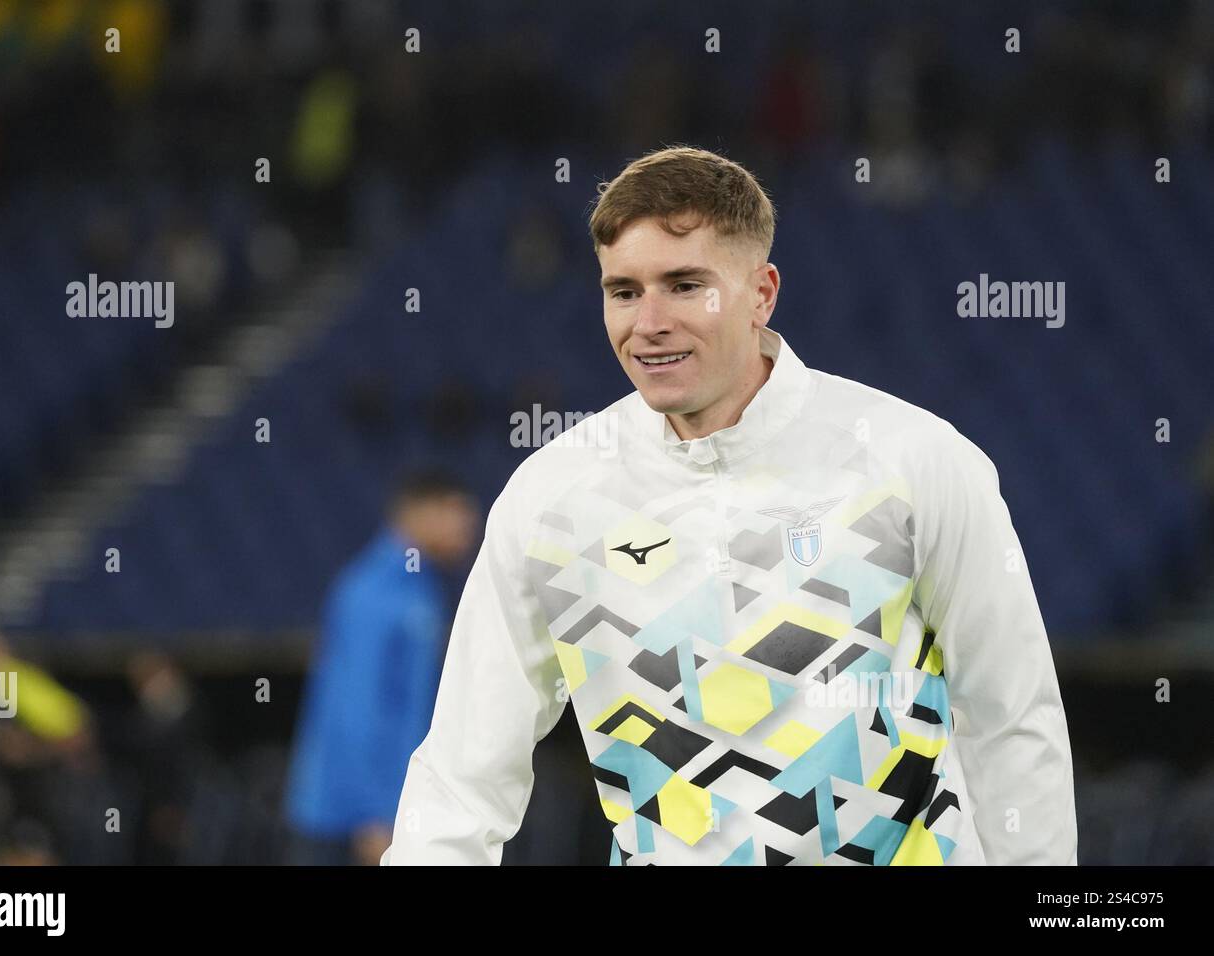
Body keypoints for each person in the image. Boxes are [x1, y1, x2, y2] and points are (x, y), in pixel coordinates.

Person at [382, 146, 1077, 866]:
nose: (647, 321)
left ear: (762, 292)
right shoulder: (552, 497)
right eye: (623, 292)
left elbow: (1010, 720)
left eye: (684, 286)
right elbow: (465, 768)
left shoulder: (915, 461)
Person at [284, 467, 479, 865]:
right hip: (343, 823)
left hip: (374, 813)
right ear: (423, 512)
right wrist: (378, 815)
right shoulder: (374, 592)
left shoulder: (418, 586)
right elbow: (359, 709)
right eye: (457, 512)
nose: (469, 527)